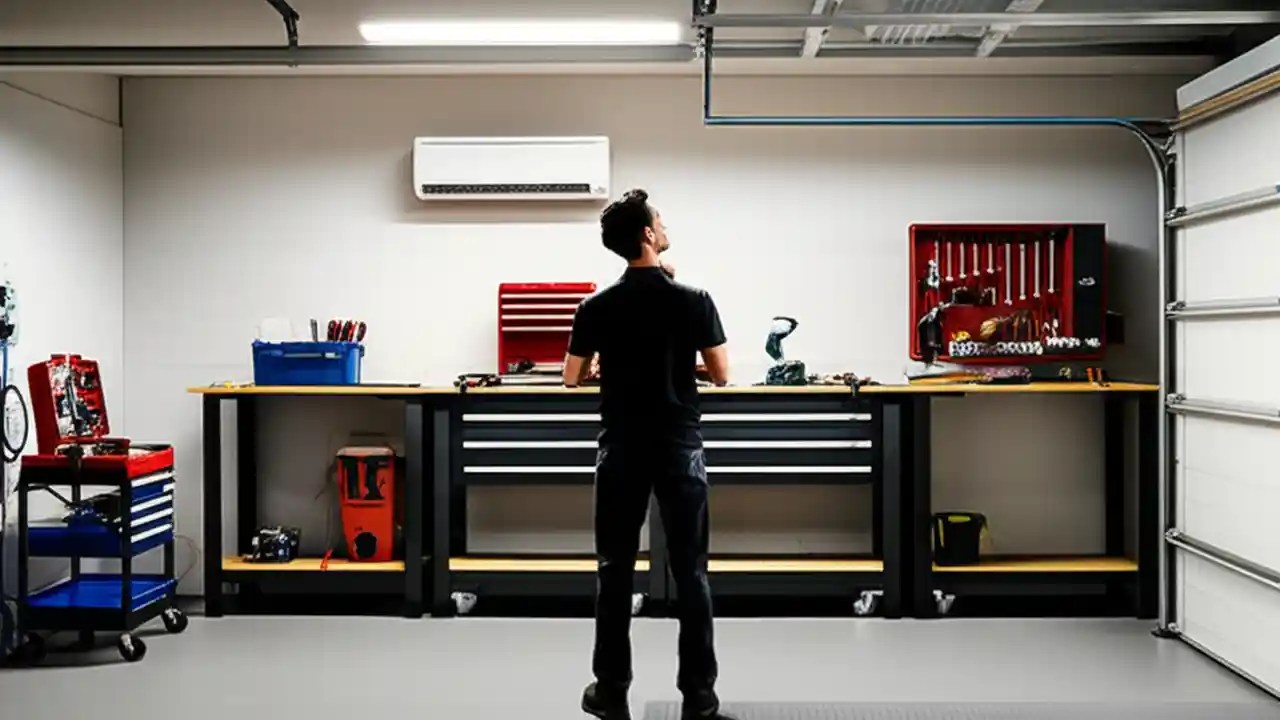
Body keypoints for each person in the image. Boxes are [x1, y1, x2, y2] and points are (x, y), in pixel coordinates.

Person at [563, 189, 731, 720]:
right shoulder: (693, 299)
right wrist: (683, 365)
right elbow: (722, 372)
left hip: (621, 449)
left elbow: (572, 378)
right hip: (679, 445)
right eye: (658, 221)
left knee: (613, 569)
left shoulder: (595, 306)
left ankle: (610, 691)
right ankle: (699, 695)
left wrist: (602, 369)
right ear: (647, 237)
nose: (663, 225)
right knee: (691, 572)